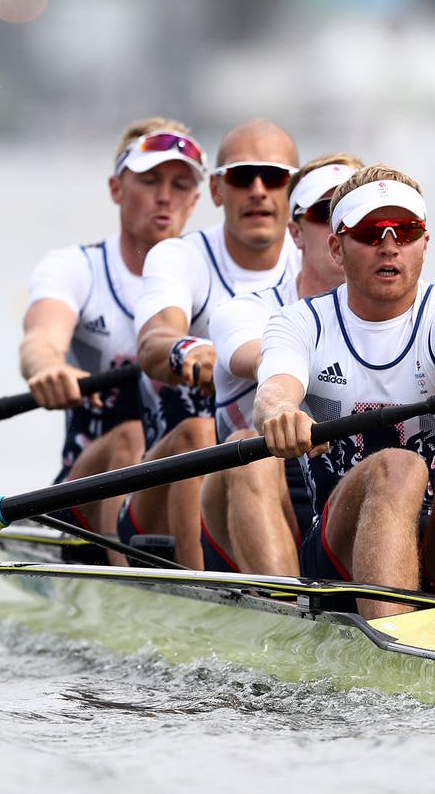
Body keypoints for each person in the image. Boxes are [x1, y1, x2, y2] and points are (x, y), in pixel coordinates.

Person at [253, 164, 435, 619]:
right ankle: (393, 644)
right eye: (372, 232)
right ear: (338, 248)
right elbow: (275, 388)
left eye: (406, 231)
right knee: (399, 467)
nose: (390, 246)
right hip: (340, 556)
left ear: (424, 244)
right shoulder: (300, 323)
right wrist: (281, 413)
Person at [20, 118, 204, 559]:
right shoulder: (77, 268)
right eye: (149, 180)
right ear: (116, 188)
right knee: (129, 436)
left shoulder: (210, 275)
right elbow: (40, 338)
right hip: (85, 488)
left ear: (196, 200)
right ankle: (124, 580)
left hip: (178, 484)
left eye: (180, 185)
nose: (165, 196)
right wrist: (48, 366)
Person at [123, 118, 301, 569]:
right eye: (243, 177)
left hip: (280, 476)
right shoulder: (181, 257)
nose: (258, 190)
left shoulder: (319, 262)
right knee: (204, 435)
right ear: (219, 191)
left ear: (294, 191)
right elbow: (154, 338)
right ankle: (196, 588)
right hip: (169, 484)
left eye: (274, 176)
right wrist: (185, 350)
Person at [199, 154, 362, 576]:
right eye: (327, 214)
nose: (343, 229)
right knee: (248, 452)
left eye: (358, 216)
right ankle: (285, 612)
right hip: (247, 511)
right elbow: (263, 356)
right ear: (296, 232)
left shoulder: (412, 321)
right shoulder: (245, 311)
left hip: (354, 514)